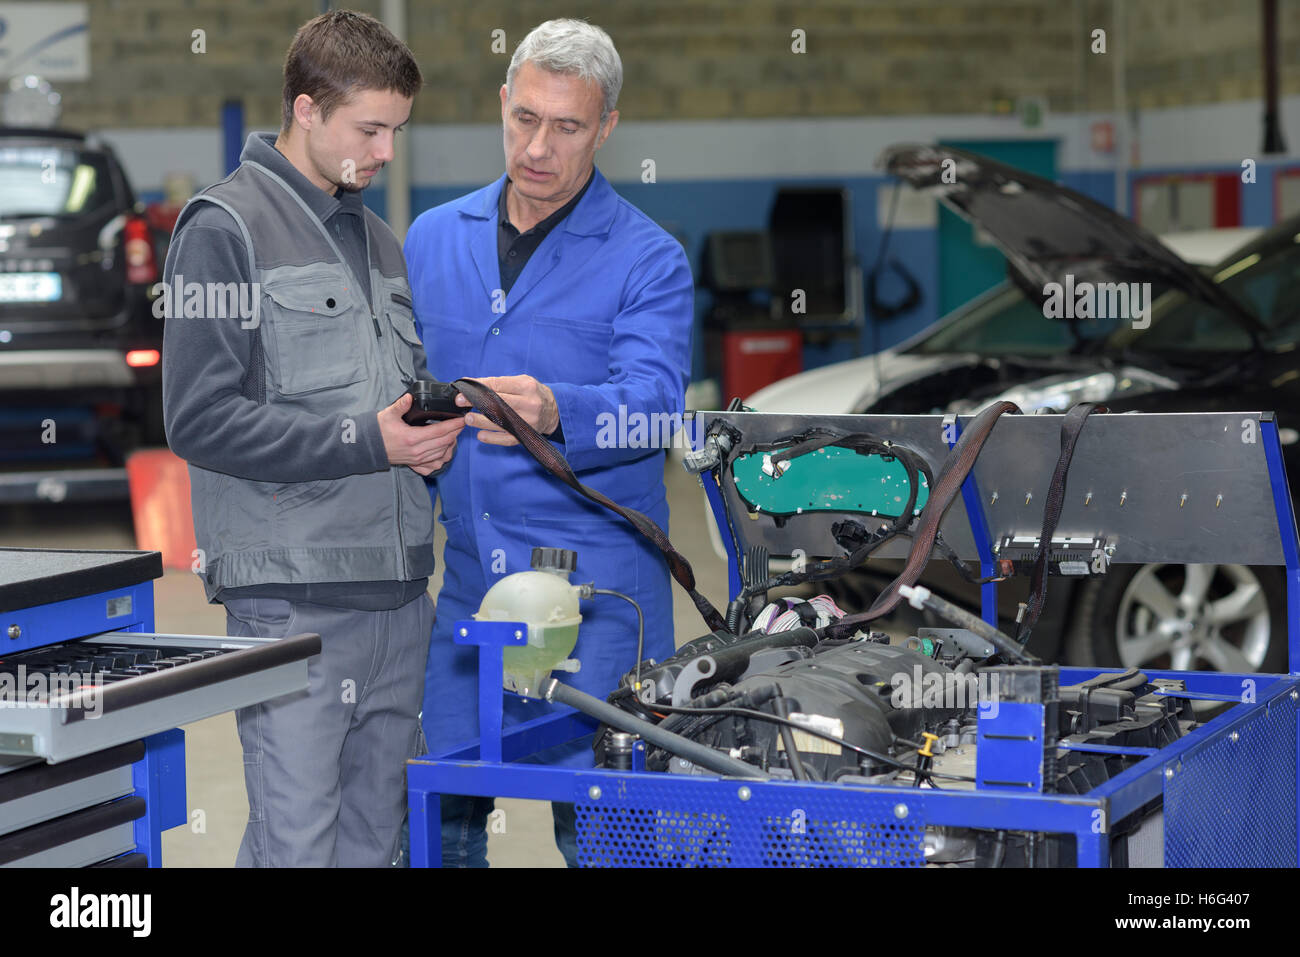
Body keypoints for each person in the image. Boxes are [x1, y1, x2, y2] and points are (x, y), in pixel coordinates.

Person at [161, 10, 465, 867]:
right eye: (370, 129)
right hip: (294, 603)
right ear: (305, 109)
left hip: (400, 596)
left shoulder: (380, 242)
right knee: (297, 847)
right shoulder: (222, 230)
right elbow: (199, 417)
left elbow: (384, 401)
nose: (386, 153)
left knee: (377, 846)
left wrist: (426, 434)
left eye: (398, 130)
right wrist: (369, 442)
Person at [404, 18, 694, 867]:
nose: (538, 146)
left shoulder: (650, 259)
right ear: (502, 103)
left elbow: (655, 408)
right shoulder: (432, 239)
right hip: (471, 593)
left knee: (605, 833)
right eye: (525, 117)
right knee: (443, 822)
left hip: (601, 603)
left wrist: (558, 408)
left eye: (567, 126)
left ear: (606, 128)